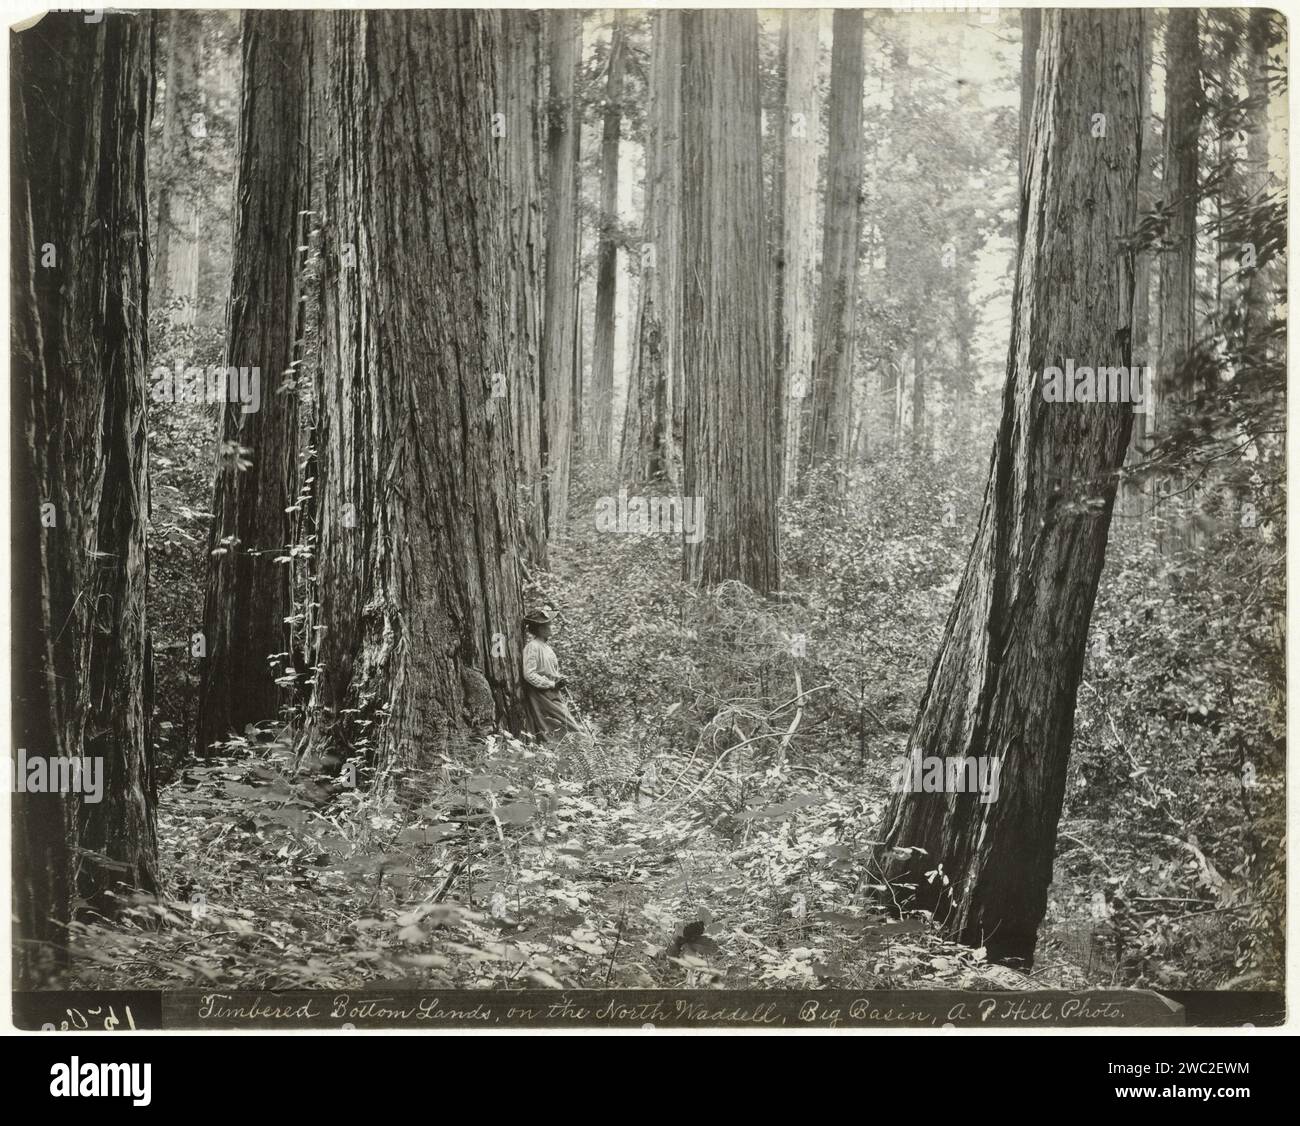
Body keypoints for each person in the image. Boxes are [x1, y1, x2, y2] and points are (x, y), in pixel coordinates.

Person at [522, 609, 583, 743]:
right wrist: (551, 684)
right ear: (539, 629)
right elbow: (529, 674)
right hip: (541, 695)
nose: (551, 628)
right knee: (566, 727)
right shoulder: (533, 647)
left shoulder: (546, 647)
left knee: (567, 725)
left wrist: (558, 680)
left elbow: (549, 671)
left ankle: (571, 756)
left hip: (553, 693)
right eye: (547, 625)